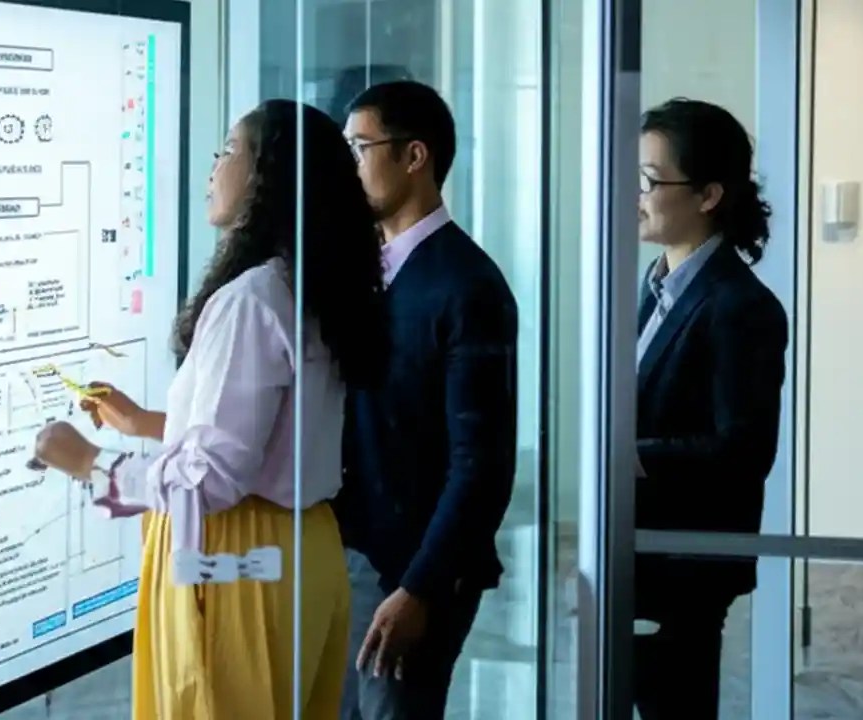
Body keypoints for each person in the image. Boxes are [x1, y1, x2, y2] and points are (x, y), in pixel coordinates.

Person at [33, 99, 387, 719]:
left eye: (228, 151)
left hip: (235, 563)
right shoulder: (306, 289)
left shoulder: (250, 299)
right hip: (301, 552)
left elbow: (213, 479)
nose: (212, 169)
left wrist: (89, 463)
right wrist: (146, 424)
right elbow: (269, 438)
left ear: (265, 176)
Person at [334, 80, 519, 718]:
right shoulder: (371, 270)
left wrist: (421, 586)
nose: (348, 164)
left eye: (360, 146)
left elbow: (483, 463)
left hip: (410, 573)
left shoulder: (466, 285)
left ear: (414, 156)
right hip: (358, 555)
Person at [632, 98, 788, 720]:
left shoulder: (738, 306)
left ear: (707, 195)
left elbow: (744, 449)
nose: (633, 191)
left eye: (648, 178)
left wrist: (629, 459)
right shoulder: (653, 286)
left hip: (686, 559)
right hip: (639, 546)